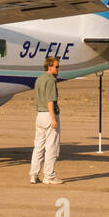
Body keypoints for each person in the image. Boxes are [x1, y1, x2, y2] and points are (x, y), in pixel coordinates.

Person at [29, 56, 62, 184]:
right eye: (56, 66)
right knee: (51, 147)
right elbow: (50, 101)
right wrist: (53, 119)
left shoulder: (39, 79)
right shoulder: (51, 80)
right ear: (50, 67)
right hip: (49, 114)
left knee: (38, 146)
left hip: (40, 115)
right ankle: (49, 176)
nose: (58, 69)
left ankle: (34, 174)